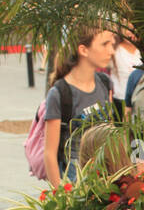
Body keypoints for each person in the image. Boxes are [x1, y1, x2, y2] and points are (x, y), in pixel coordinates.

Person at [43, 26, 116, 189]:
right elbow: (49, 153)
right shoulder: (60, 93)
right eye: (104, 44)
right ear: (83, 50)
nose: (111, 51)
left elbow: (110, 130)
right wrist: (61, 194)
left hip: (105, 176)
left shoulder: (105, 83)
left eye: (112, 44)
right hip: (74, 180)